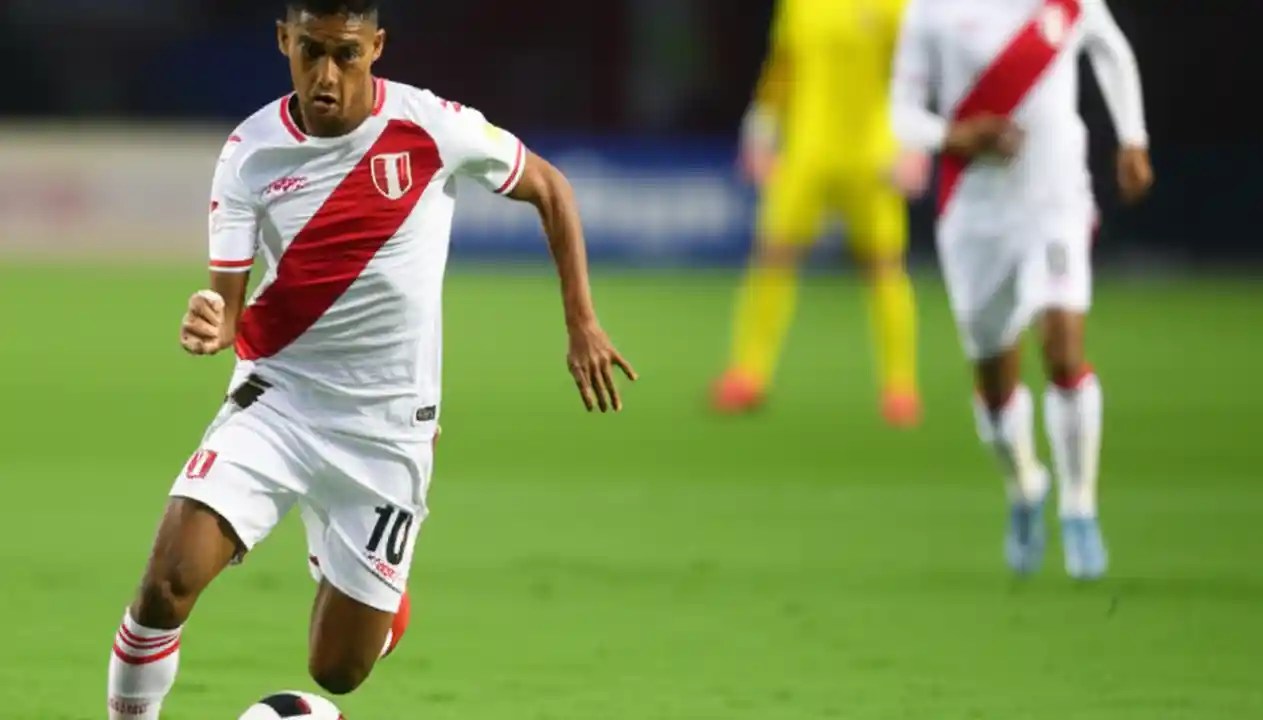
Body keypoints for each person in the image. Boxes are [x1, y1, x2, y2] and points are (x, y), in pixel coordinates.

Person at [105, 2, 637, 717]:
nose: (327, 74)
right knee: (165, 584)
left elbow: (550, 187)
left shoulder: (432, 127)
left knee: (338, 670)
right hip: (277, 401)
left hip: (388, 432)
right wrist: (211, 322)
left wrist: (582, 323)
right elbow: (227, 308)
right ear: (283, 41)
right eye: (311, 51)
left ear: (377, 46)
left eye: (347, 54)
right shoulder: (250, 152)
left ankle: (380, 603)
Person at [889, 0, 1153, 578]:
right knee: (994, 380)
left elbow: (1110, 50)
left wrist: (1132, 138)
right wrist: (954, 134)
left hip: (1054, 200)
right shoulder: (930, 10)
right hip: (975, 214)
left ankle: (1080, 508)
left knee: (1062, 348)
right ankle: (1025, 484)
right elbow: (900, 114)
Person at [710, 0, 923, 427]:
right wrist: (761, 127)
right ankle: (748, 374)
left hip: (873, 153)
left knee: (884, 267)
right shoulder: (801, 5)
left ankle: (900, 387)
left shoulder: (895, 6)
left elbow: (916, 73)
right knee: (773, 257)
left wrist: (914, 142)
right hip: (806, 150)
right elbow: (783, 69)